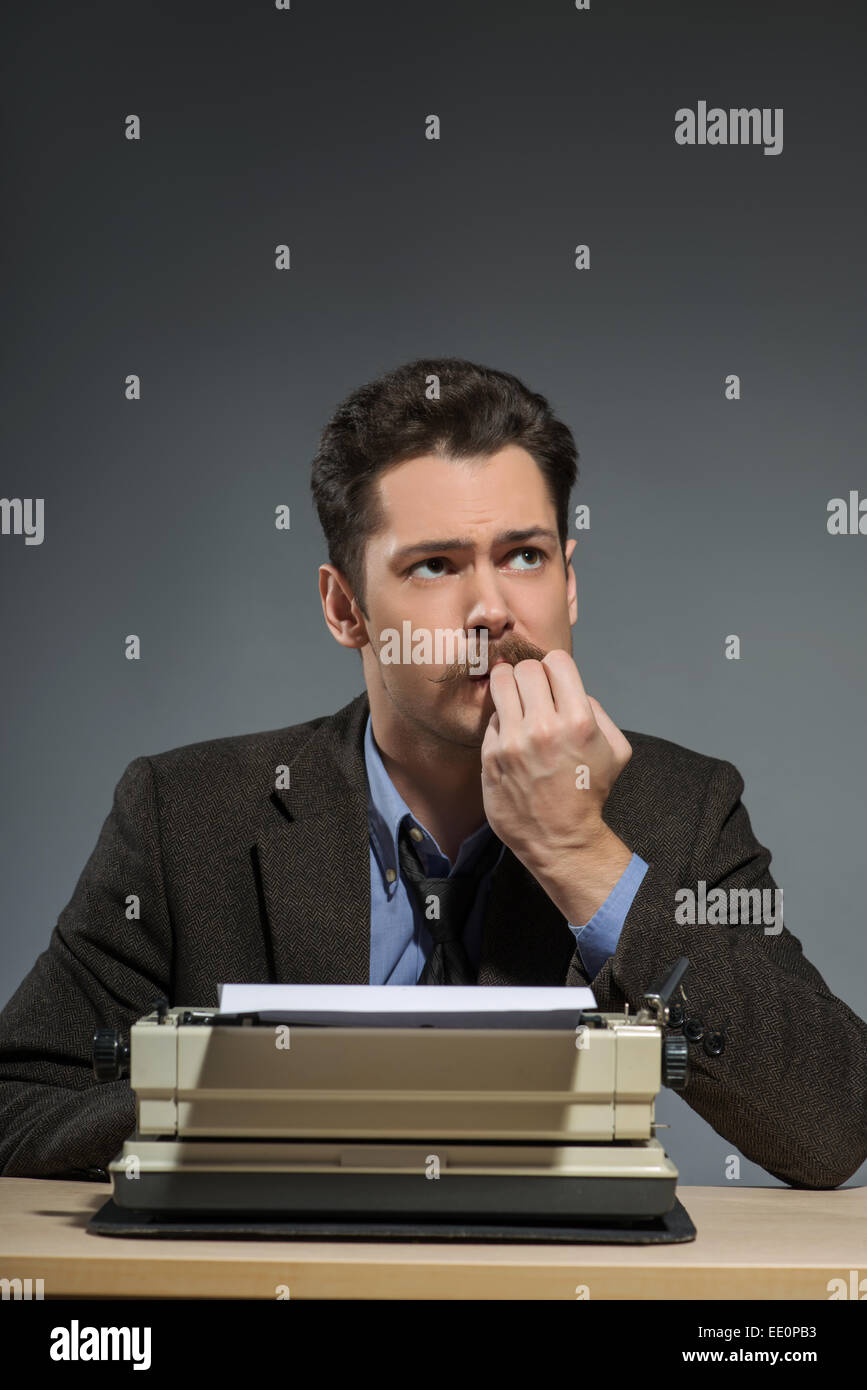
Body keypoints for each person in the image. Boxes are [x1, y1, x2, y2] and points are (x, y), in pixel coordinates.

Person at [1, 357, 865, 1189]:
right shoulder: (185, 813)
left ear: (569, 584)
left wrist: (579, 856)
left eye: (524, 555)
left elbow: (832, 1127)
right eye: (434, 566)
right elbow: (18, 1101)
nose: (490, 608)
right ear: (346, 609)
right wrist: (248, 1112)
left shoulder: (681, 807)